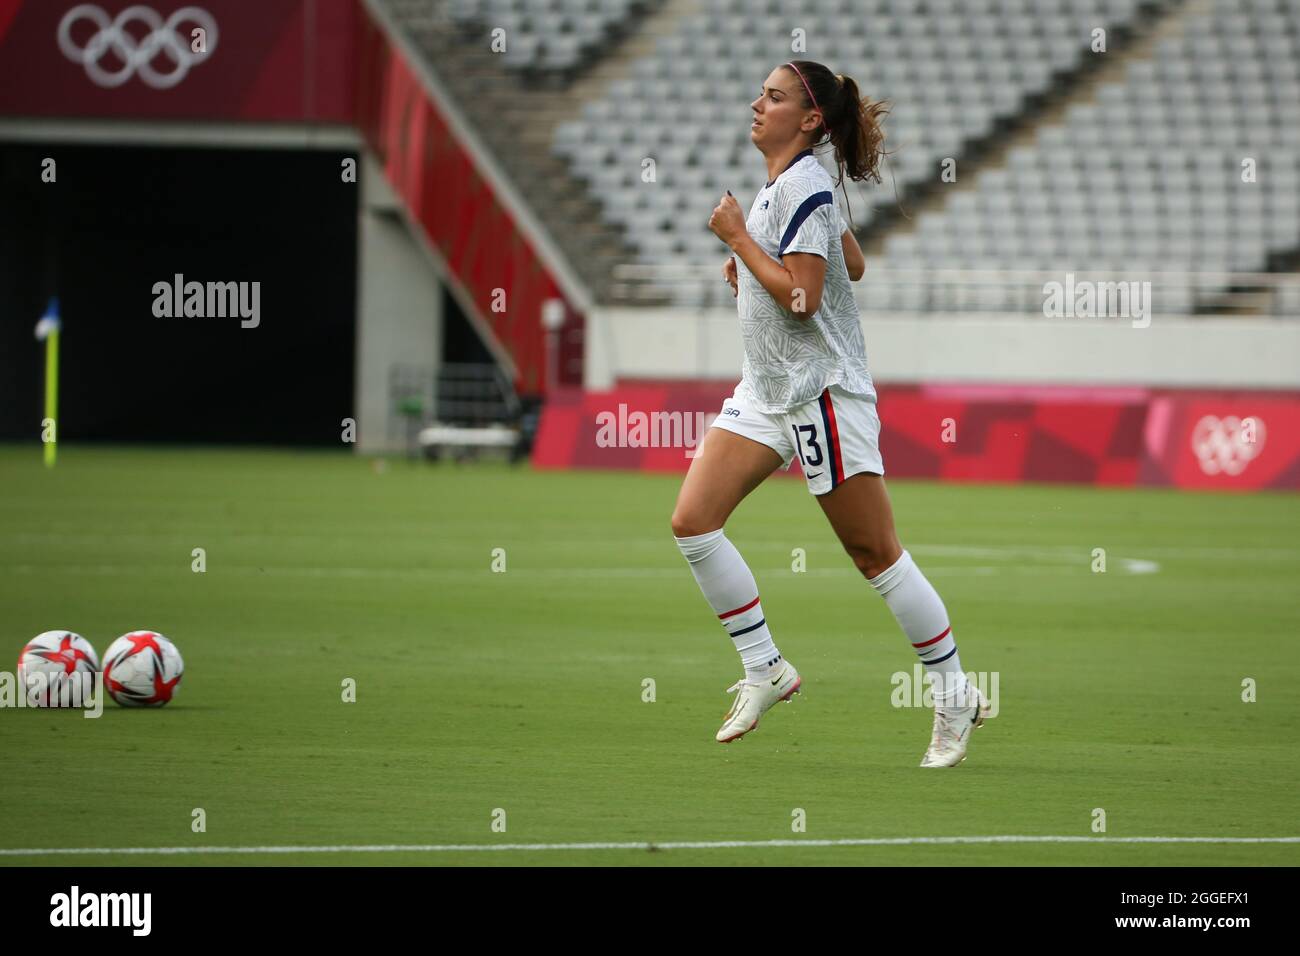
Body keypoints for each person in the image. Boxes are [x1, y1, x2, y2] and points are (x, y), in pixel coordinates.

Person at [670, 60, 990, 767]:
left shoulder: (807, 182)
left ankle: (955, 691)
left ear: (811, 119)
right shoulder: (794, 186)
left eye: (775, 96)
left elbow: (804, 298)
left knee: (875, 555)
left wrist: (739, 242)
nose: (757, 103)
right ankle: (766, 669)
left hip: (820, 393)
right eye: (760, 92)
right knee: (693, 523)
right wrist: (754, 264)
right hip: (767, 390)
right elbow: (852, 265)